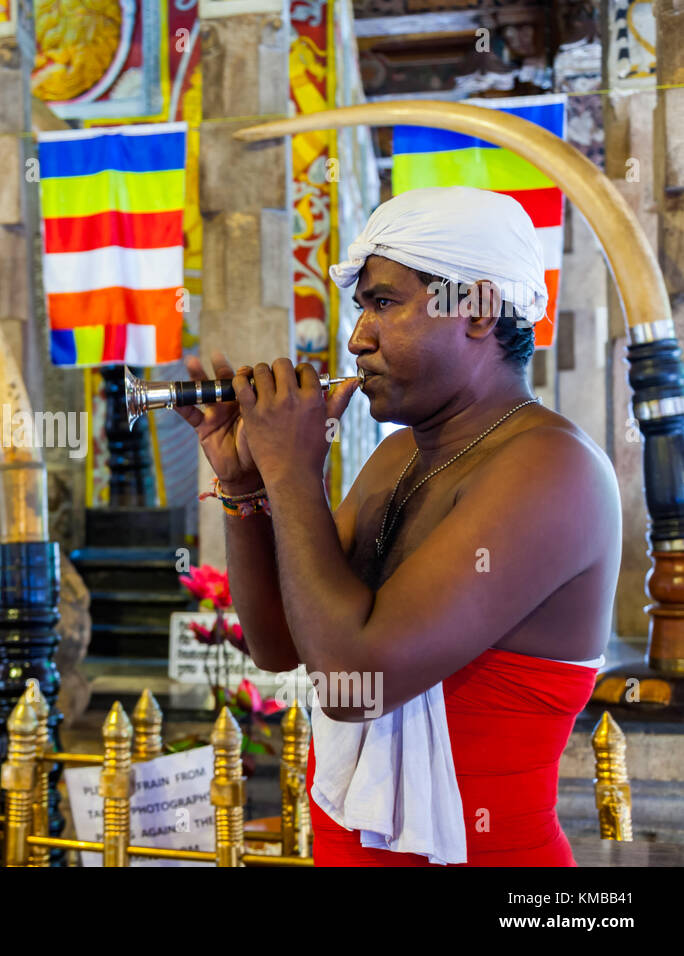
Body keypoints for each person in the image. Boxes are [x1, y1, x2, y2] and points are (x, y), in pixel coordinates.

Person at [179, 186, 619, 866]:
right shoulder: (398, 456)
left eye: (384, 303)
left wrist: (294, 471)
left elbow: (359, 683)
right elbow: (276, 645)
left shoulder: (553, 469)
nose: (358, 339)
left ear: (475, 310)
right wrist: (246, 485)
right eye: (362, 307)